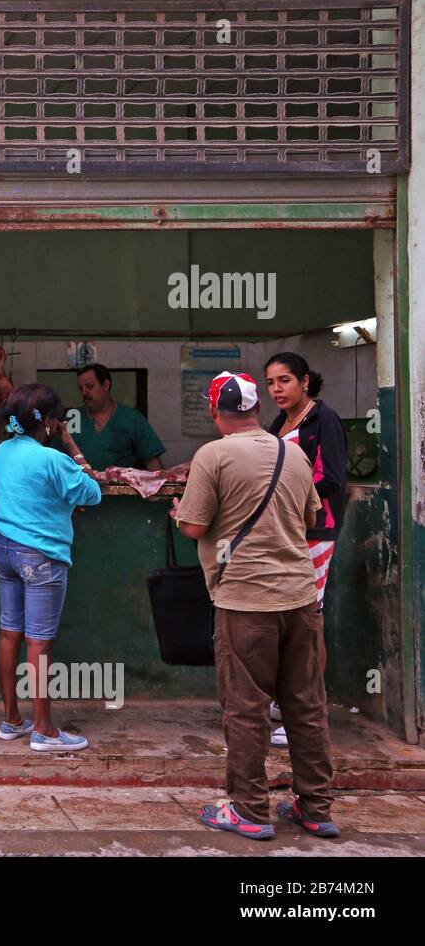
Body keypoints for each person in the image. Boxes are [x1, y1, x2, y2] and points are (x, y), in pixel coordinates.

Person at [173, 371, 338, 840]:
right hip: (301, 598)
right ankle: (317, 809)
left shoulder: (213, 455)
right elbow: (309, 517)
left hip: (245, 601)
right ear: (256, 410)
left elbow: (192, 526)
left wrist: (183, 514)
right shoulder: (294, 451)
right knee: (307, 705)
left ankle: (248, 810)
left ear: (214, 411)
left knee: (246, 709)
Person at [0, 383, 102, 752]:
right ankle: (44, 730)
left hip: (3, 549)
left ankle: (11, 720)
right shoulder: (52, 459)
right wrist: (71, 444)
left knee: (9, 632)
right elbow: (92, 492)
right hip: (41, 556)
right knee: (39, 642)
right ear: (51, 422)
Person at [264, 352, 348, 748]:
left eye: (284, 381)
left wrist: (290, 503)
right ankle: (287, 703)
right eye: (271, 383)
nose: (277, 389)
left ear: (305, 382)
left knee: (309, 620)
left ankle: (310, 712)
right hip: (288, 530)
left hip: (315, 530)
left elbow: (330, 478)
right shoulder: (281, 422)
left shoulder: (323, 419)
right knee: (288, 619)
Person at [71, 363, 166, 471]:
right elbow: (56, 458)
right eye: (80, 388)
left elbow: (153, 464)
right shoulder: (74, 418)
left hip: (121, 486)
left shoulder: (131, 419)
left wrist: (156, 484)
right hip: (82, 485)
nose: (84, 392)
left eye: (89, 386)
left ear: (106, 385)